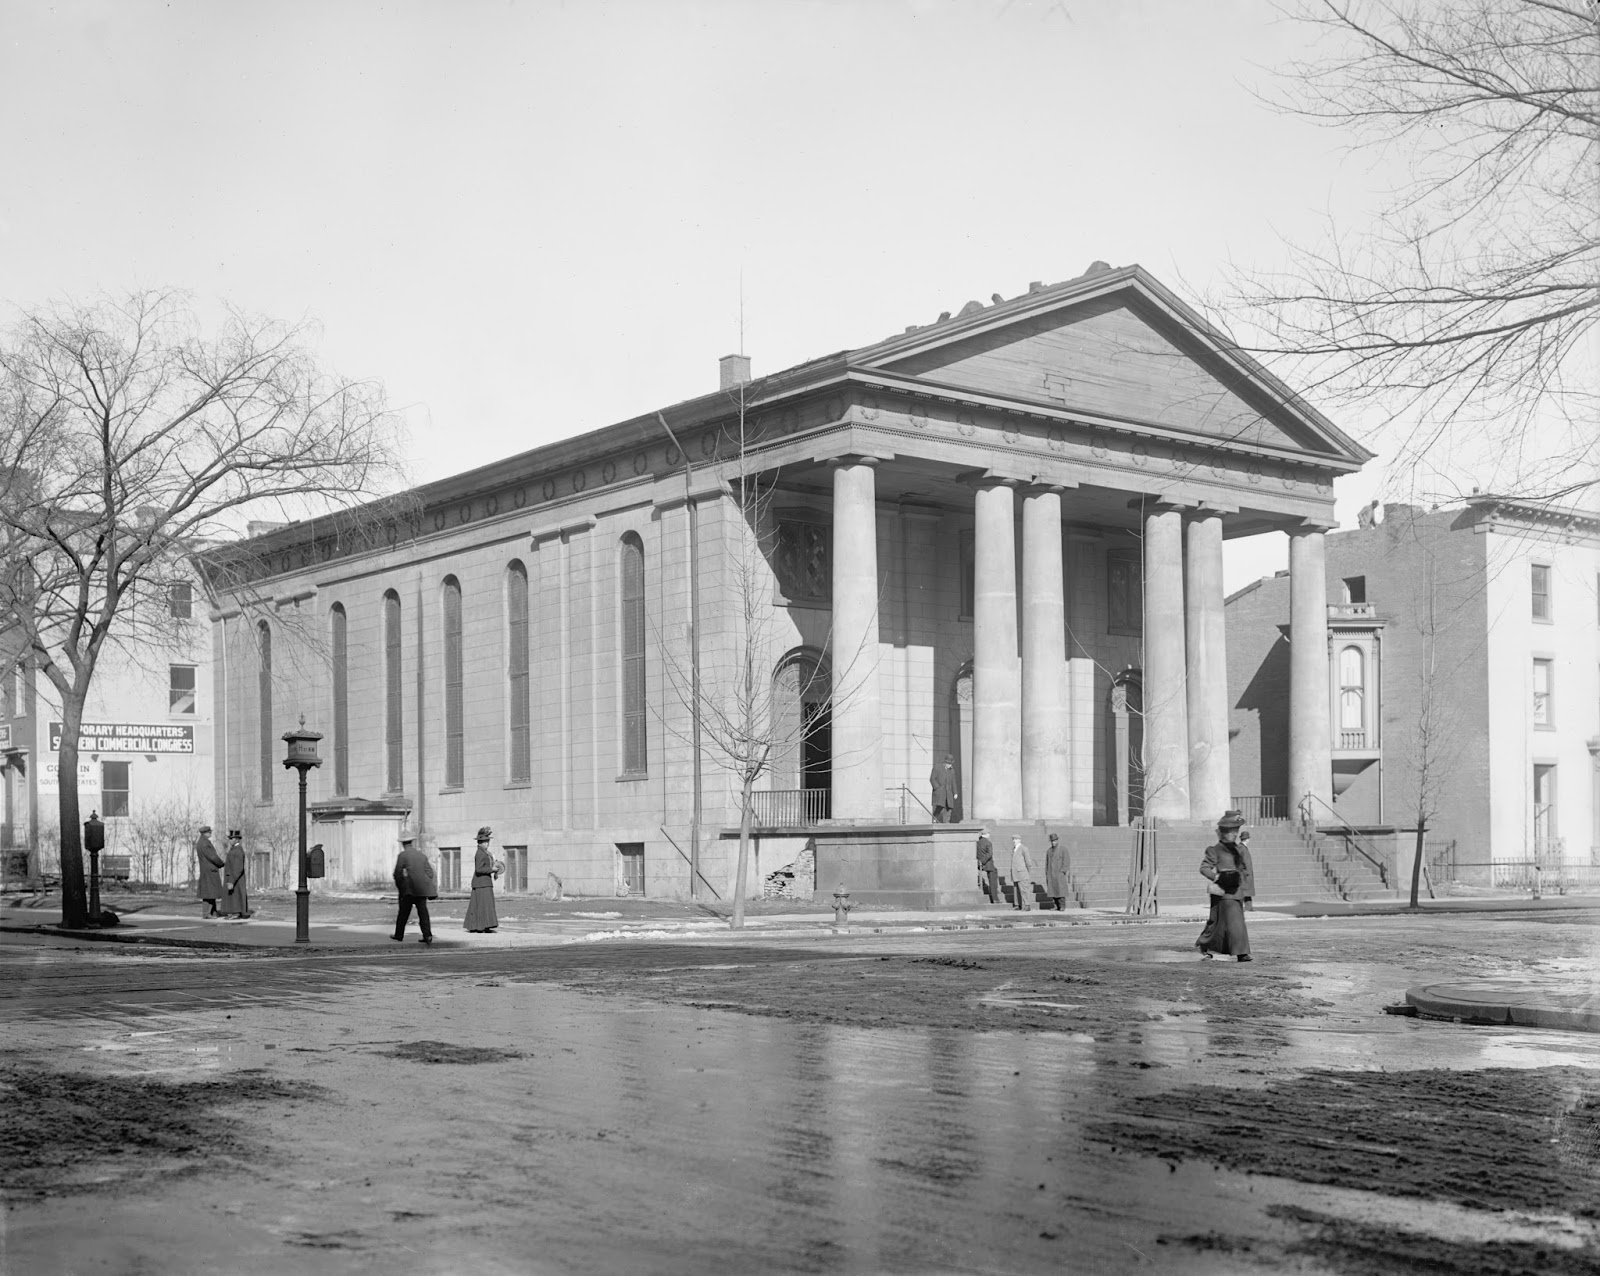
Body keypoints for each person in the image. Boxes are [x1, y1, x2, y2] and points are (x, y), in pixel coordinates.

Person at [1197, 810, 1255, 962]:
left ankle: (1211, 946)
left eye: (1235, 831)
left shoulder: (1238, 850)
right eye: (1231, 832)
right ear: (1223, 833)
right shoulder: (1214, 850)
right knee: (1224, 923)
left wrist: (1239, 879)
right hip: (1222, 892)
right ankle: (1238, 952)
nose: (1234, 835)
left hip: (1236, 891)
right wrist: (1218, 877)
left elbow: (1243, 869)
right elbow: (1204, 868)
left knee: (1227, 923)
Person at [392, 832, 437, 944]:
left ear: (403, 844)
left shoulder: (403, 855)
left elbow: (397, 873)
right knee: (423, 913)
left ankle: (399, 935)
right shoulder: (421, 855)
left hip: (409, 890)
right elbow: (430, 872)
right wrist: (424, 882)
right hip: (421, 890)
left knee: (403, 913)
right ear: (411, 842)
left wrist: (401, 886)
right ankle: (427, 935)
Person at [463, 826, 500, 933]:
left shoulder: (485, 853)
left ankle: (484, 926)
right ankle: (480, 926)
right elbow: (478, 869)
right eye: (485, 841)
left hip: (484, 882)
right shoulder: (480, 853)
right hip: (481, 883)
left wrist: (495, 867)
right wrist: (491, 869)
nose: (487, 843)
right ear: (480, 842)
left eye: (488, 841)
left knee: (485, 905)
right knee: (482, 905)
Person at [217, 829, 250, 918]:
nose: (230, 840)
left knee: (235, 896)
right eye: (230, 839)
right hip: (232, 877)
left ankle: (236, 913)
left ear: (237, 839)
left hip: (236, 879)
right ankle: (232, 912)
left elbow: (238, 868)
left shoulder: (238, 851)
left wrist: (232, 881)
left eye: (232, 838)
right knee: (232, 896)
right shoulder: (234, 849)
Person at [194, 825, 225, 918]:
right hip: (210, 871)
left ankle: (213, 912)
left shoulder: (201, 842)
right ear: (205, 833)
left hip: (206, 870)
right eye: (209, 832)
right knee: (209, 892)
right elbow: (213, 857)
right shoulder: (205, 843)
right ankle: (207, 914)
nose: (211, 833)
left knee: (210, 892)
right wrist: (221, 863)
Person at [1044, 832, 1072, 911]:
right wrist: (1047, 872)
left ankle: (1062, 906)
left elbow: (1066, 861)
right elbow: (1046, 862)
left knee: (1061, 890)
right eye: (1052, 841)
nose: (1053, 842)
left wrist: (1062, 871)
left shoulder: (1063, 849)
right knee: (1053, 890)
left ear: (1057, 840)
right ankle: (1056, 905)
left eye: (1055, 840)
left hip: (1059, 873)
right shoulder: (1049, 851)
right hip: (1051, 874)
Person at [1009, 834, 1036, 911]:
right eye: (1013, 839)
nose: (1014, 841)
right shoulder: (1014, 849)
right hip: (1015, 873)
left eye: (1016, 839)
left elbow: (1028, 862)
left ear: (1020, 840)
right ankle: (1017, 905)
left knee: (1024, 889)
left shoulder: (1023, 848)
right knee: (1016, 889)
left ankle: (1027, 905)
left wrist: (1026, 871)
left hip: (1022, 873)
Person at [930, 754, 959, 823]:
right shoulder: (937, 768)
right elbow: (932, 779)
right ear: (945, 763)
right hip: (940, 792)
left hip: (948, 792)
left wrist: (955, 792)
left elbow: (953, 782)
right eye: (949, 764)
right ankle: (934, 819)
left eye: (951, 764)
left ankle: (946, 823)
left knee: (949, 808)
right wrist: (937, 788)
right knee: (939, 807)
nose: (951, 765)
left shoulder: (952, 771)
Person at [975, 828, 999, 904]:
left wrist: (980, 862)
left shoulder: (977, 842)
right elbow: (989, 854)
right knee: (993, 879)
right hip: (987, 864)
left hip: (979, 864)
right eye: (988, 833)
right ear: (986, 834)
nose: (989, 835)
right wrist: (983, 861)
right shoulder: (988, 843)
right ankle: (995, 898)